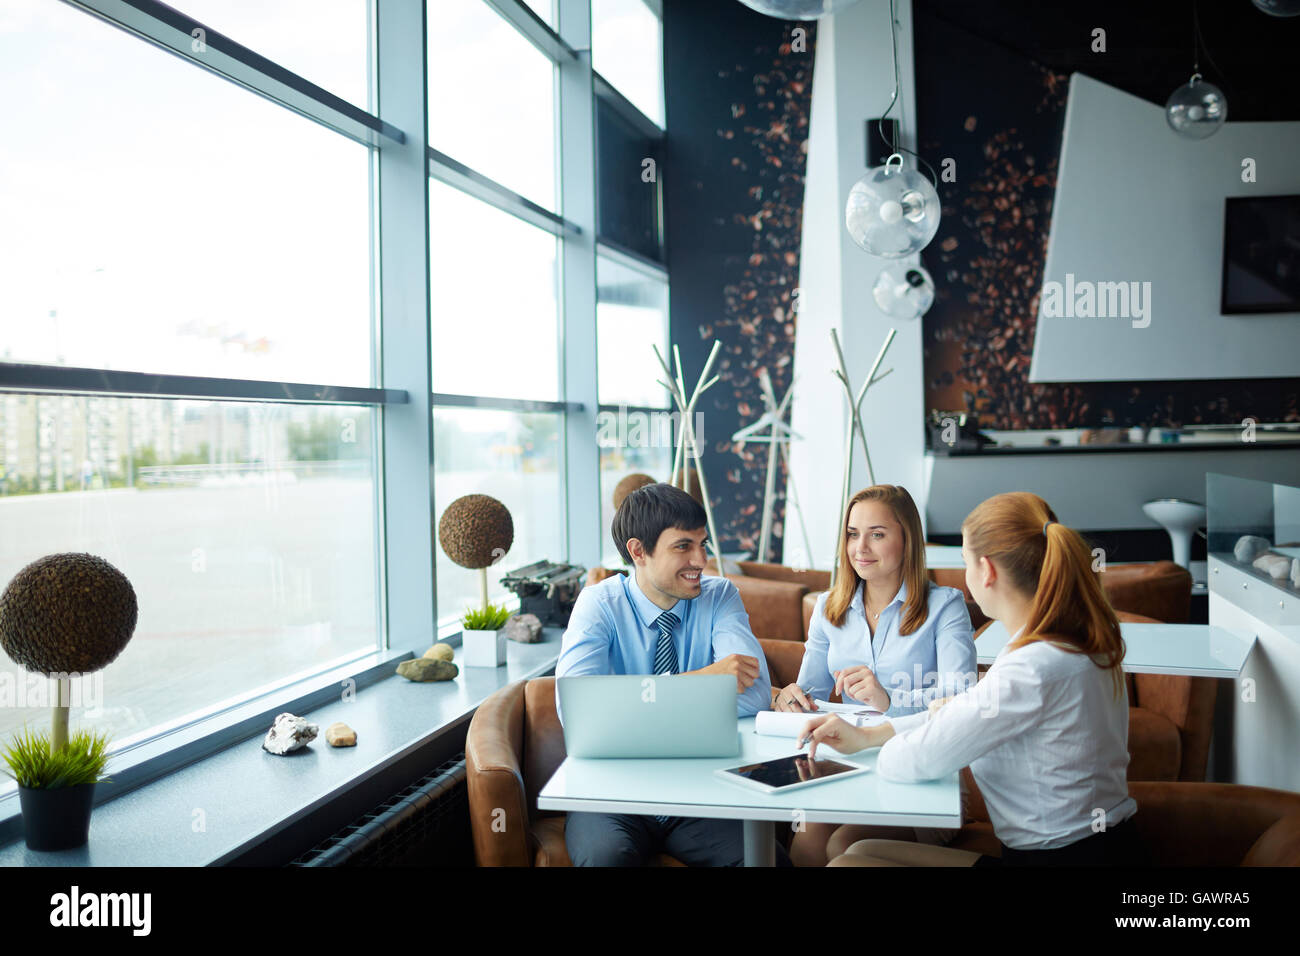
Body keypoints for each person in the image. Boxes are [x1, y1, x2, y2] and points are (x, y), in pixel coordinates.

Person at [800, 491, 1138, 867]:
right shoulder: (1067, 641)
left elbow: (910, 760)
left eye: (964, 561)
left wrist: (944, 714)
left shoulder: (1028, 668)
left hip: (1057, 859)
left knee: (847, 865)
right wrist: (870, 735)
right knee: (859, 852)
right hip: (1099, 848)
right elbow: (970, 710)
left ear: (987, 570)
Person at [557, 481, 777, 866]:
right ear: (638, 551)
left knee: (763, 860)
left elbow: (754, 694)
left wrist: (628, 706)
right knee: (606, 859)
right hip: (611, 793)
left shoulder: (720, 595)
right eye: (683, 546)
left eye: (702, 543)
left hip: (700, 791)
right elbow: (578, 710)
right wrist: (706, 679)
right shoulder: (598, 605)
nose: (701, 560)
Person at [773, 484, 976, 866]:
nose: (860, 548)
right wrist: (791, 697)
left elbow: (961, 698)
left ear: (908, 540)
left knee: (843, 845)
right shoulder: (827, 607)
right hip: (850, 765)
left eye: (877, 535)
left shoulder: (944, 607)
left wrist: (890, 701)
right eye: (853, 534)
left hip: (924, 773)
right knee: (808, 830)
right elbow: (810, 690)